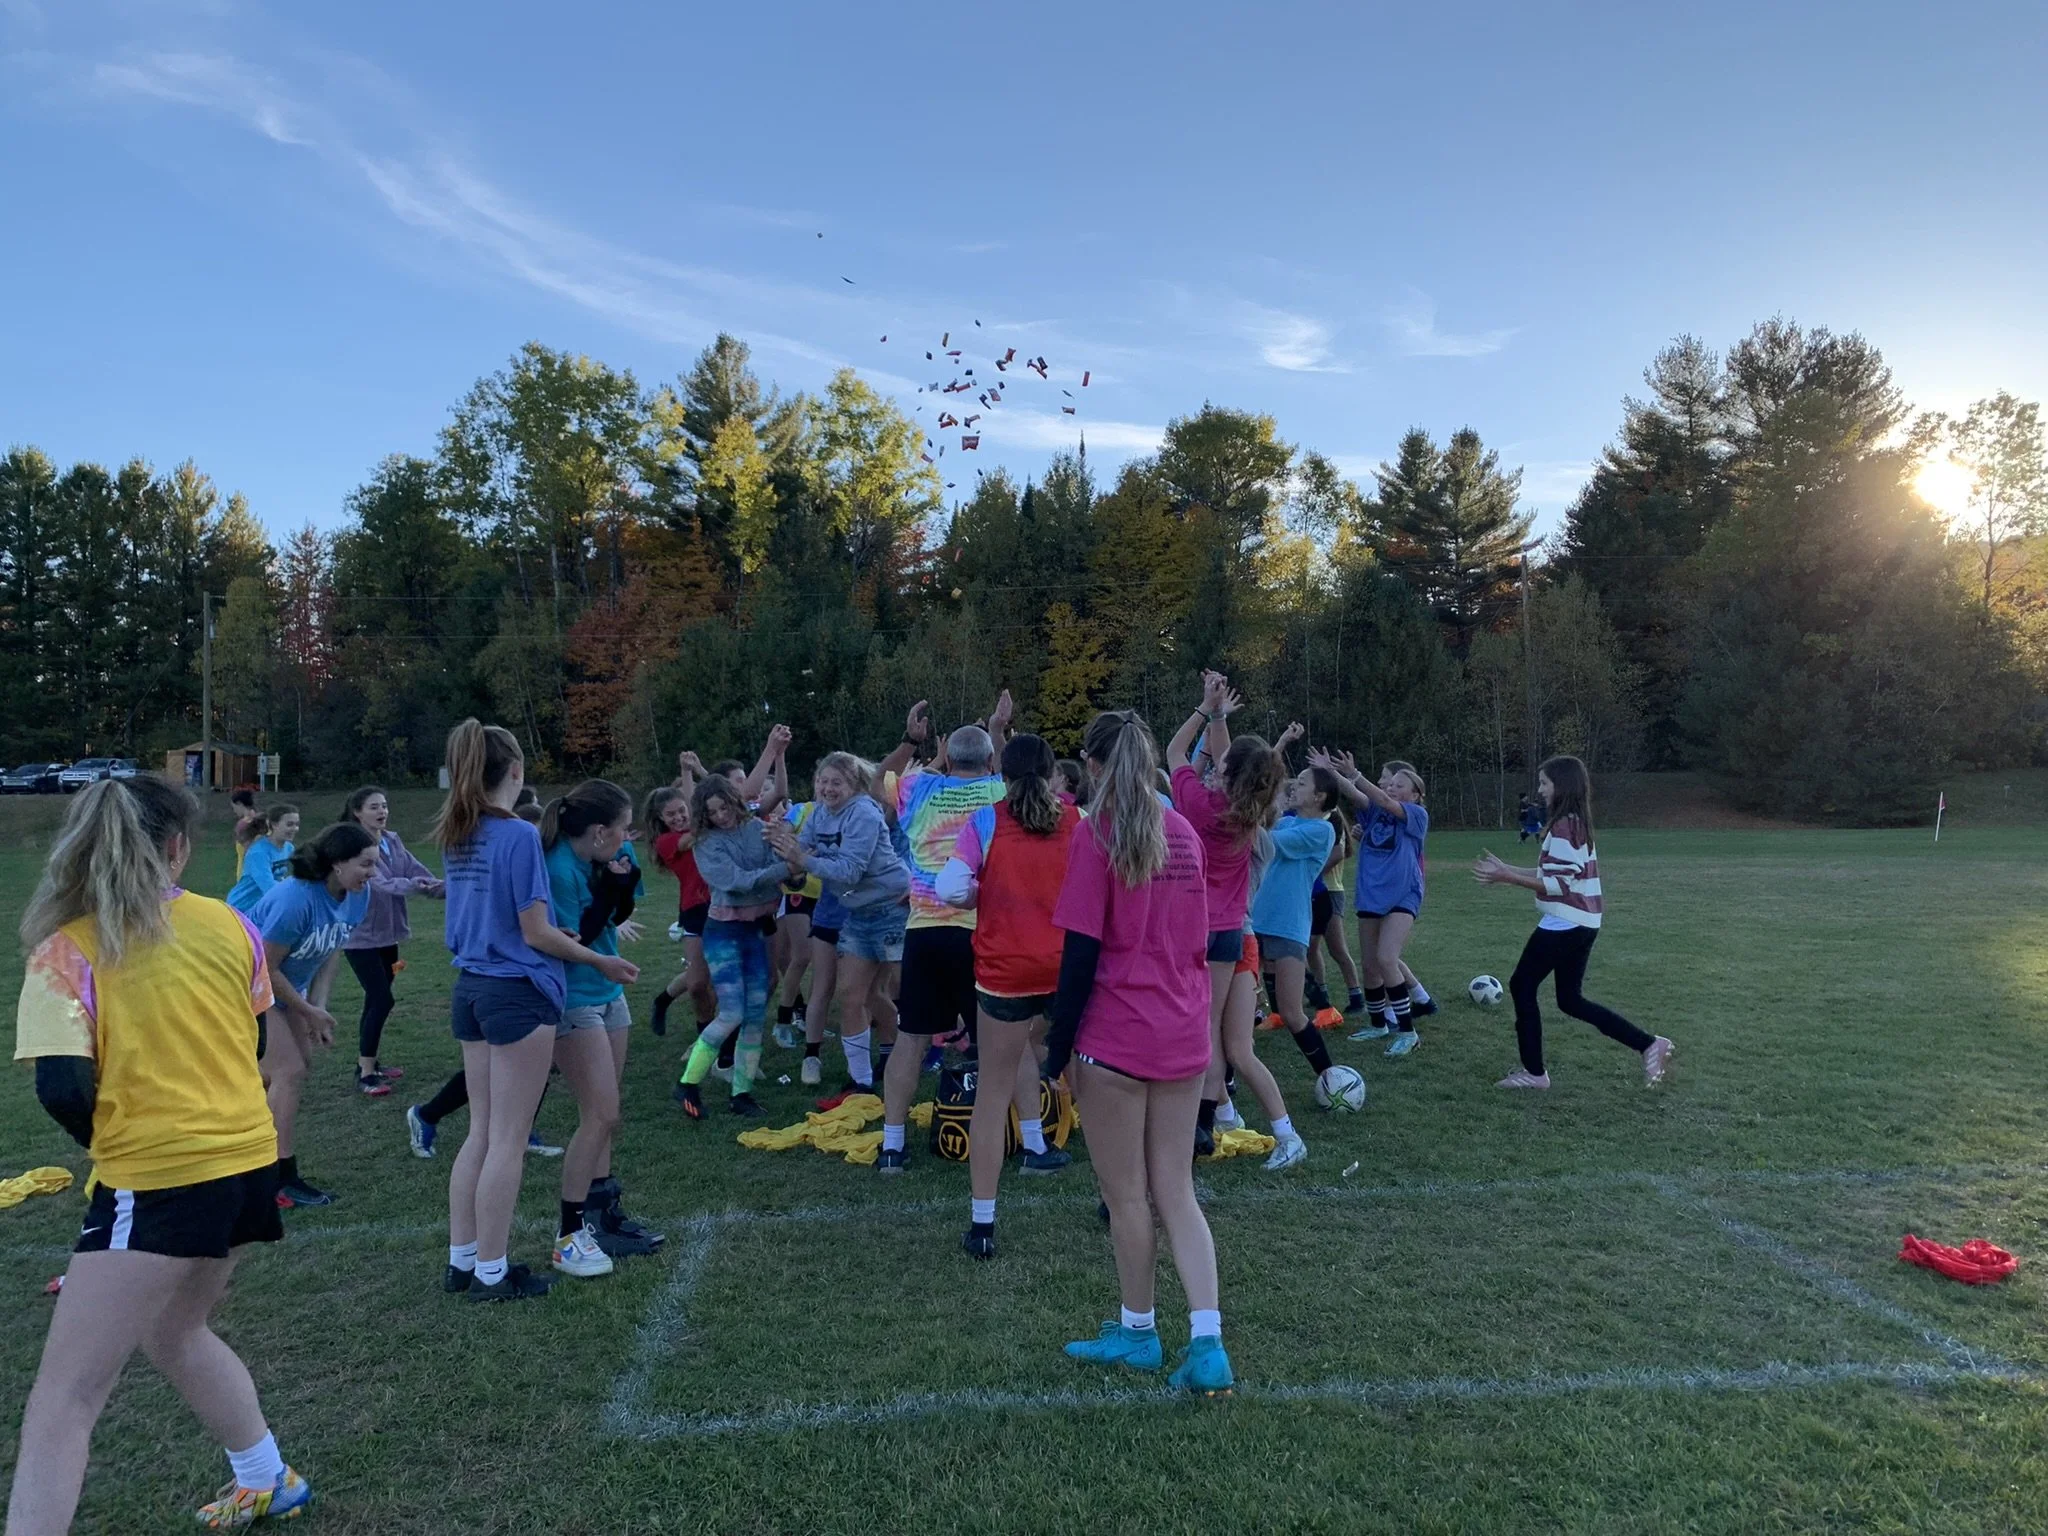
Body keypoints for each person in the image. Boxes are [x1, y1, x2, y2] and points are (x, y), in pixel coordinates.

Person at [10, 775, 312, 1530]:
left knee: (64, 1399)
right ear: (177, 847)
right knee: (174, 1330)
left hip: (162, 1178)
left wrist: (117, 1147)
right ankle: (265, 1475)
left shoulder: (64, 950)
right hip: (248, 1163)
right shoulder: (226, 924)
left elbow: (62, 1088)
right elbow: (250, 1041)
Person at [1045, 711, 1232, 1396]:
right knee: (1177, 1192)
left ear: (1092, 767)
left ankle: (1139, 1331)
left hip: (1116, 1038)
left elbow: (1080, 954)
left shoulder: (1097, 835)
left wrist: (1055, 1051)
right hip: (1183, 1034)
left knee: (1126, 1197)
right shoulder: (1182, 832)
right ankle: (1207, 1341)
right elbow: (1205, 943)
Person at [434, 719, 637, 1303]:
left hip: (470, 988)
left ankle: (463, 1260)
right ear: (516, 770)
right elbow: (535, 932)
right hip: (516, 991)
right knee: (507, 1139)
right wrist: (596, 960)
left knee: (480, 1132)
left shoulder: (458, 830)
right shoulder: (517, 834)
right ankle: (492, 1274)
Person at [934, 733, 1080, 1259]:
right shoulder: (1076, 819)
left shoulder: (986, 820)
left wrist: (981, 892)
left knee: (993, 1094)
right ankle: (1117, 1198)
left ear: (1001, 768)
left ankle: (983, 1225)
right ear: (1051, 772)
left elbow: (950, 887)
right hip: (1066, 967)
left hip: (1004, 970)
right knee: (1085, 1083)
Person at [1474, 755, 1674, 1090]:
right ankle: (1649, 1044)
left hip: (1565, 922)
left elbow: (1558, 885)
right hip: (1583, 922)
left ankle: (1534, 1074)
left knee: (1522, 986)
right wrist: (1507, 872)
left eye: (1544, 783)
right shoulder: (1574, 822)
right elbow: (1551, 874)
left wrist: (1507, 876)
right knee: (1569, 1000)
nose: (1539, 790)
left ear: (1561, 785)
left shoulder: (1566, 825)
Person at [873, 696, 1011, 1173]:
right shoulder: (999, 794)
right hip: (980, 932)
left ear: (948, 758)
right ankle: (1009, 1134)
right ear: (991, 760)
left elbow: (874, 782)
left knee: (911, 1039)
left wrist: (914, 741)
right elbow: (1005, 772)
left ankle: (892, 1144)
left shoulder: (919, 790)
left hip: (925, 931)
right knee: (994, 1042)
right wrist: (996, 727)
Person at [541, 780, 661, 1275]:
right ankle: (569, 1233)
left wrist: (621, 886)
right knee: (599, 1113)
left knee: (607, 1115)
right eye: (621, 828)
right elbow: (578, 937)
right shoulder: (558, 867)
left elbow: (620, 914)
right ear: (596, 833)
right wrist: (611, 886)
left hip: (608, 991)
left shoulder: (614, 851)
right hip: (575, 997)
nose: (628, 836)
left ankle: (602, 1215)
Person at [251, 821, 380, 1209]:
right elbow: (264, 968)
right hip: (247, 987)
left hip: (285, 990)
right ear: (337, 864)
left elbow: (332, 948)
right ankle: (278, 1179)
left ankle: (240, 1156)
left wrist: (317, 1008)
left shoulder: (357, 895)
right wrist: (306, 1009)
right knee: (289, 1072)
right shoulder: (295, 900)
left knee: (285, 1071)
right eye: (366, 864)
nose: (373, 874)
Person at [767, 750, 909, 1097]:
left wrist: (803, 860)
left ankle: (907, 1053)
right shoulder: (819, 814)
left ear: (854, 783)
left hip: (893, 907)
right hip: (858, 914)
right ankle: (860, 1080)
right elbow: (800, 851)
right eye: (822, 781)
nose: (827, 788)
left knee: (901, 992)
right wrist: (781, 848)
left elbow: (850, 870)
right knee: (852, 995)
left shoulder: (863, 812)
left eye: (836, 782)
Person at [1247, 760, 1349, 1170]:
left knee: (1290, 1012)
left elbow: (1264, 840)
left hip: (1288, 927)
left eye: (1302, 783)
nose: (1294, 786)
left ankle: (1329, 1076)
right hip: (1255, 924)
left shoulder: (1321, 829)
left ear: (1320, 796)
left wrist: (1245, 806)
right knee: (1246, 1012)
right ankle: (1227, 1090)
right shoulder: (1288, 821)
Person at [674, 770, 791, 1119]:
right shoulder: (706, 843)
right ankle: (687, 1083)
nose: (721, 817)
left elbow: (770, 877)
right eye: (712, 812)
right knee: (732, 1012)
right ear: (704, 815)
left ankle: (741, 1093)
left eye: (724, 808)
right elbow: (736, 883)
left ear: (735, 801)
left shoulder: (758, 829)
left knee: (755, 1015)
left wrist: (781, 870)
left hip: (756, 930)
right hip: (723, 933)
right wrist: (784, 869)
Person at [1315, 752, 1430, 1057]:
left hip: (1403, 894)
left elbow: (1383, 800)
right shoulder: (1375, 813)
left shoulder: (1417, 815)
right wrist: (1331, 772)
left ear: (1416, 795)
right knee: (1369, 965)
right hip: (1371, 895)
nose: (1392, 788)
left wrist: (1355, 774)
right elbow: (1356, 795)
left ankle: (1408, 1032)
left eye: (1400, 784)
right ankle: (1378, 1024)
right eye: (1390, 783)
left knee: (1387, 958)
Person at [340, 785, 445, 1095]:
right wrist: (418, 884)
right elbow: (383, 886)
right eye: (374, 807)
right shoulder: (353, 845)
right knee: (382, 998)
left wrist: (455, 888)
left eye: (384, 805)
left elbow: (418, 872)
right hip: (360, 937)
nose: (382, 811)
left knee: (376, 1000)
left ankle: (367, 1063)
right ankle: (365, 1074)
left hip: (388, 934)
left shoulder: (393, 840)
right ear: (357, 811)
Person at [225, 804, 298, 915]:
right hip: (242, 908)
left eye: (297, 824)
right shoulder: (258, 853)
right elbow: (268, 887)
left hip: (263, 907)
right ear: (273, 825)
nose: (295, 829)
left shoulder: (289, 848)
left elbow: (283, 878)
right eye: (289, 824)